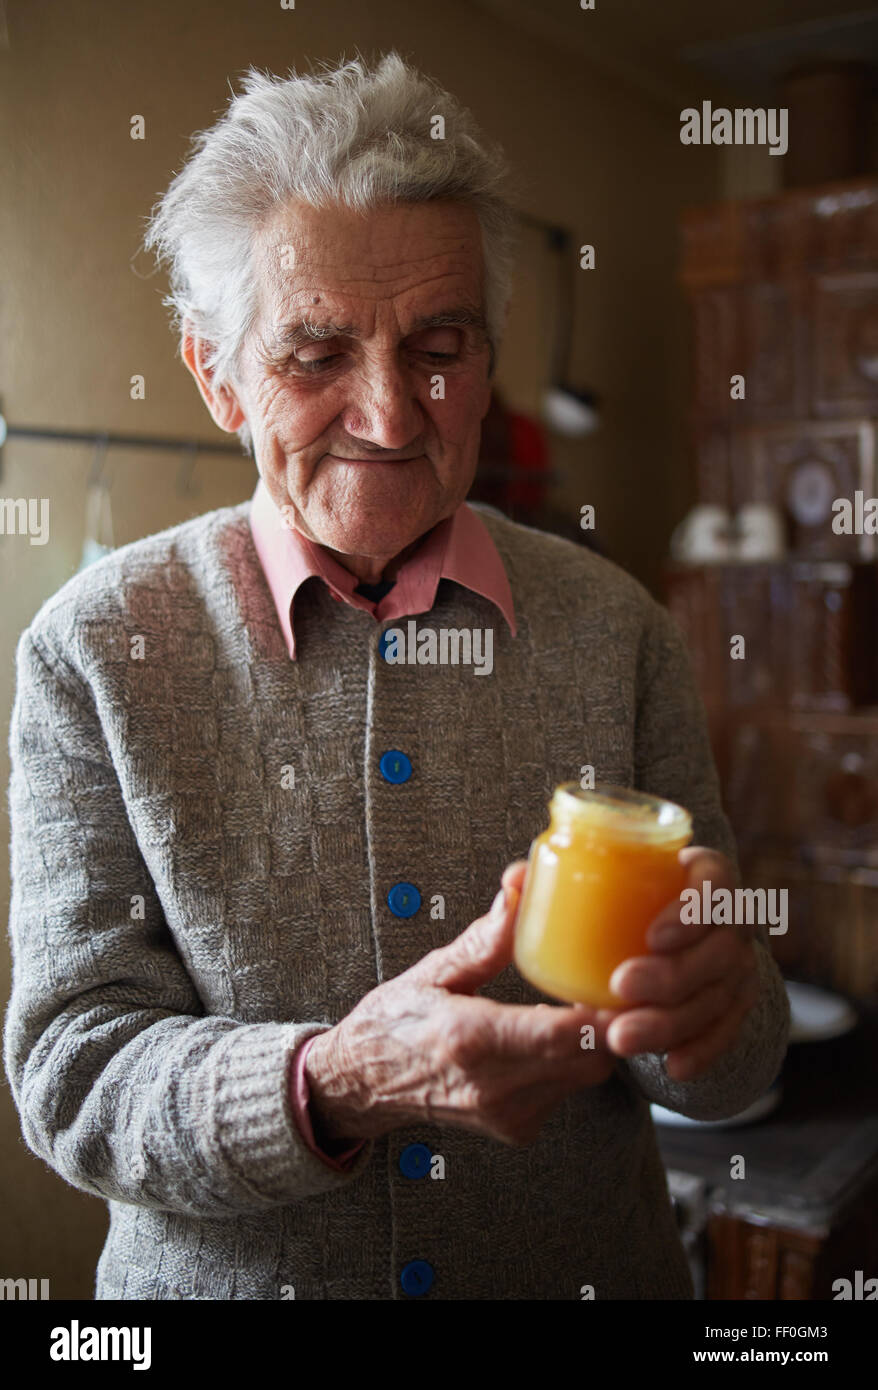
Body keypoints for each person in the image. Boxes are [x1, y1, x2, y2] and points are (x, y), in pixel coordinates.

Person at [5, 53, 789, 1300]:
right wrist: (340, 1079)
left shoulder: (618, 626)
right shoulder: (92, 651)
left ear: (486, 360)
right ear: (215, 375)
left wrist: (714, 1004)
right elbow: (72, 1074)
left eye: (437, 345)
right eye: (314, 355)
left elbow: (735, 1066)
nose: (386, 412)